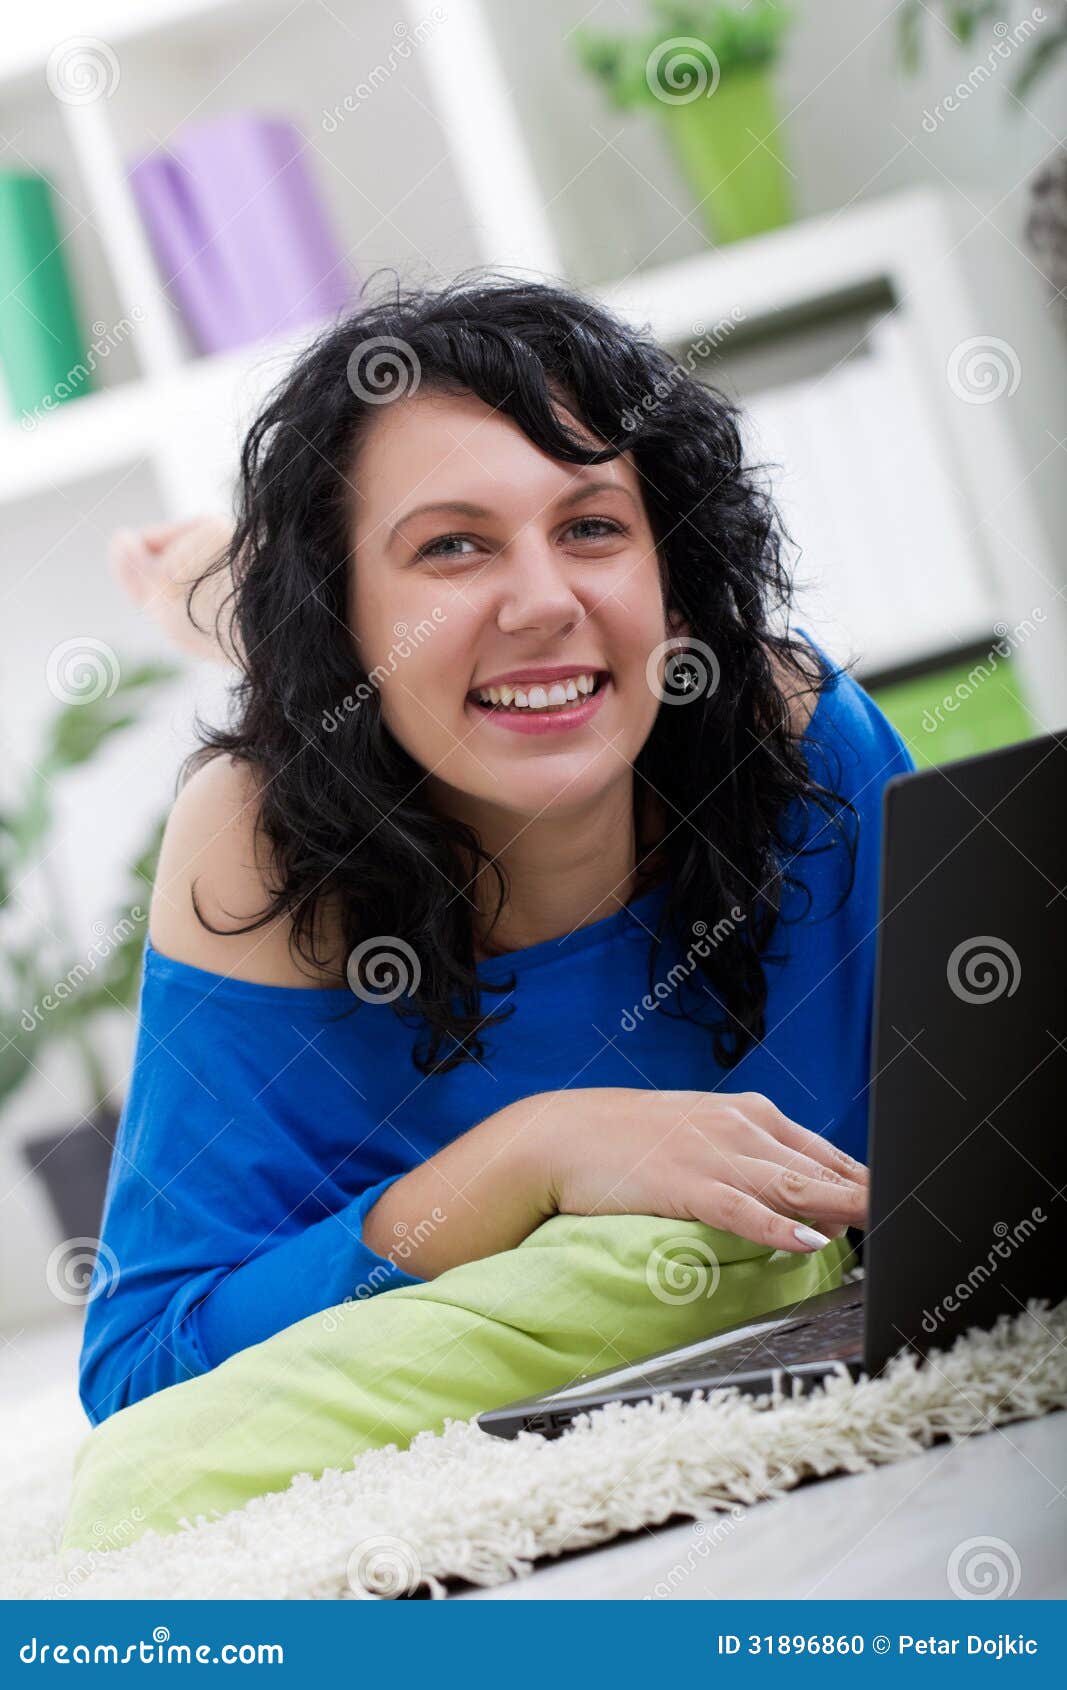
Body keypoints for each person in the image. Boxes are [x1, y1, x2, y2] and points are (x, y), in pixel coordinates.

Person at [80, 274, 913, 1427]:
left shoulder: (783, 721)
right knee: (301, 658)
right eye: (452, 544)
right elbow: (141, 1377)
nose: (541, 598)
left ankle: (257, 578)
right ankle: (224, 585)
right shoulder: (254, 840)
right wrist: (525, 1156)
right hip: (341, 706)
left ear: (672, 582)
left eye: (591, 525)